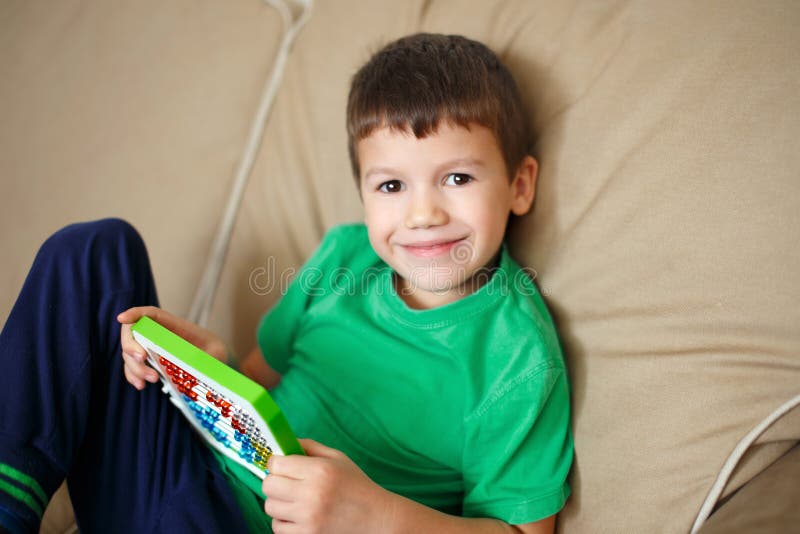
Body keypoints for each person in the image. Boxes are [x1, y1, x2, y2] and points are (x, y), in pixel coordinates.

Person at [0, 33, 572, 533]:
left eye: (456, 177)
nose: (423, 214)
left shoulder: (518, 356)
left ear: (520, 185)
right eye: (392, 186)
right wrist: (201, 371)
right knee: (96, 249)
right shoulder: (344, 255)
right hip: (175, 476)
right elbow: (252, 384)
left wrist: (378, 517)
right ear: (364, 194)